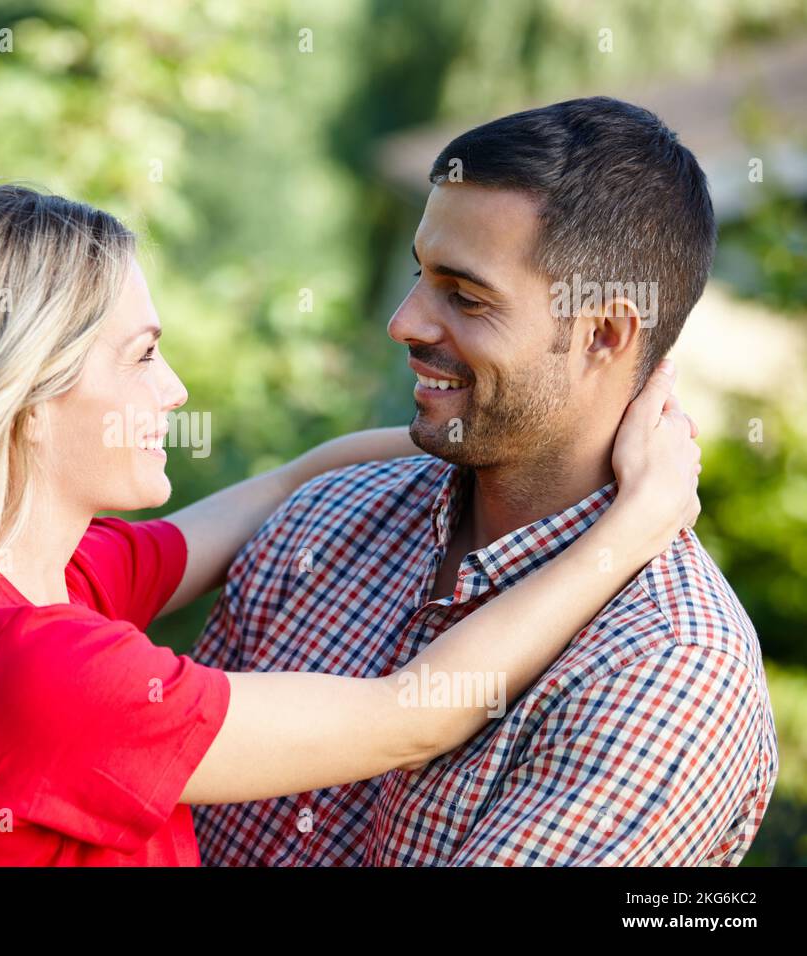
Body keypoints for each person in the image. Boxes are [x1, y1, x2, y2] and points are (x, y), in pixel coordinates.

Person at [0, 183, 700, 866]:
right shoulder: (45, 672)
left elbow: (272, 488)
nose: (174, 390)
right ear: (24, 400)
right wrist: (637, 518)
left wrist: (470, 420)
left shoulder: (14, 588)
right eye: (140, 356)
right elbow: (413, 714)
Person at [191, 97, 778, 867]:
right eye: (420, 276)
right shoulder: (322, 520)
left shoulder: (666, 673)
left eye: (464, 296)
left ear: (602, 334)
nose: (404, 322)